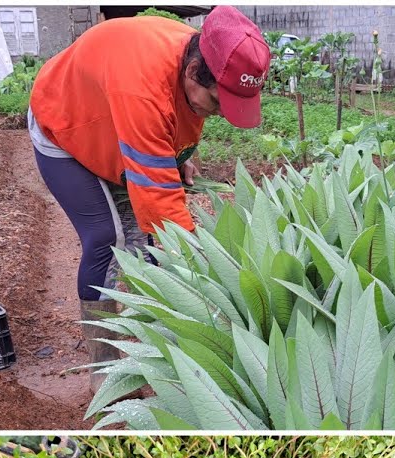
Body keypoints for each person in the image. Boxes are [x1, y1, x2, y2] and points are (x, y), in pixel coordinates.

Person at [28, 6, 270, 391]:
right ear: (193, 72)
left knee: (145, 248)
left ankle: (156, 353)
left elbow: (179, 118)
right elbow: (160, 204)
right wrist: (207, 273)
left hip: (117, 125)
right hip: (66, 127)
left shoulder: (196, 55)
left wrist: (181, 155)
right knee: (109, 240)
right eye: (217, 102)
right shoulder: (141, 87)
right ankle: (103, 371)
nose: (221, 114)